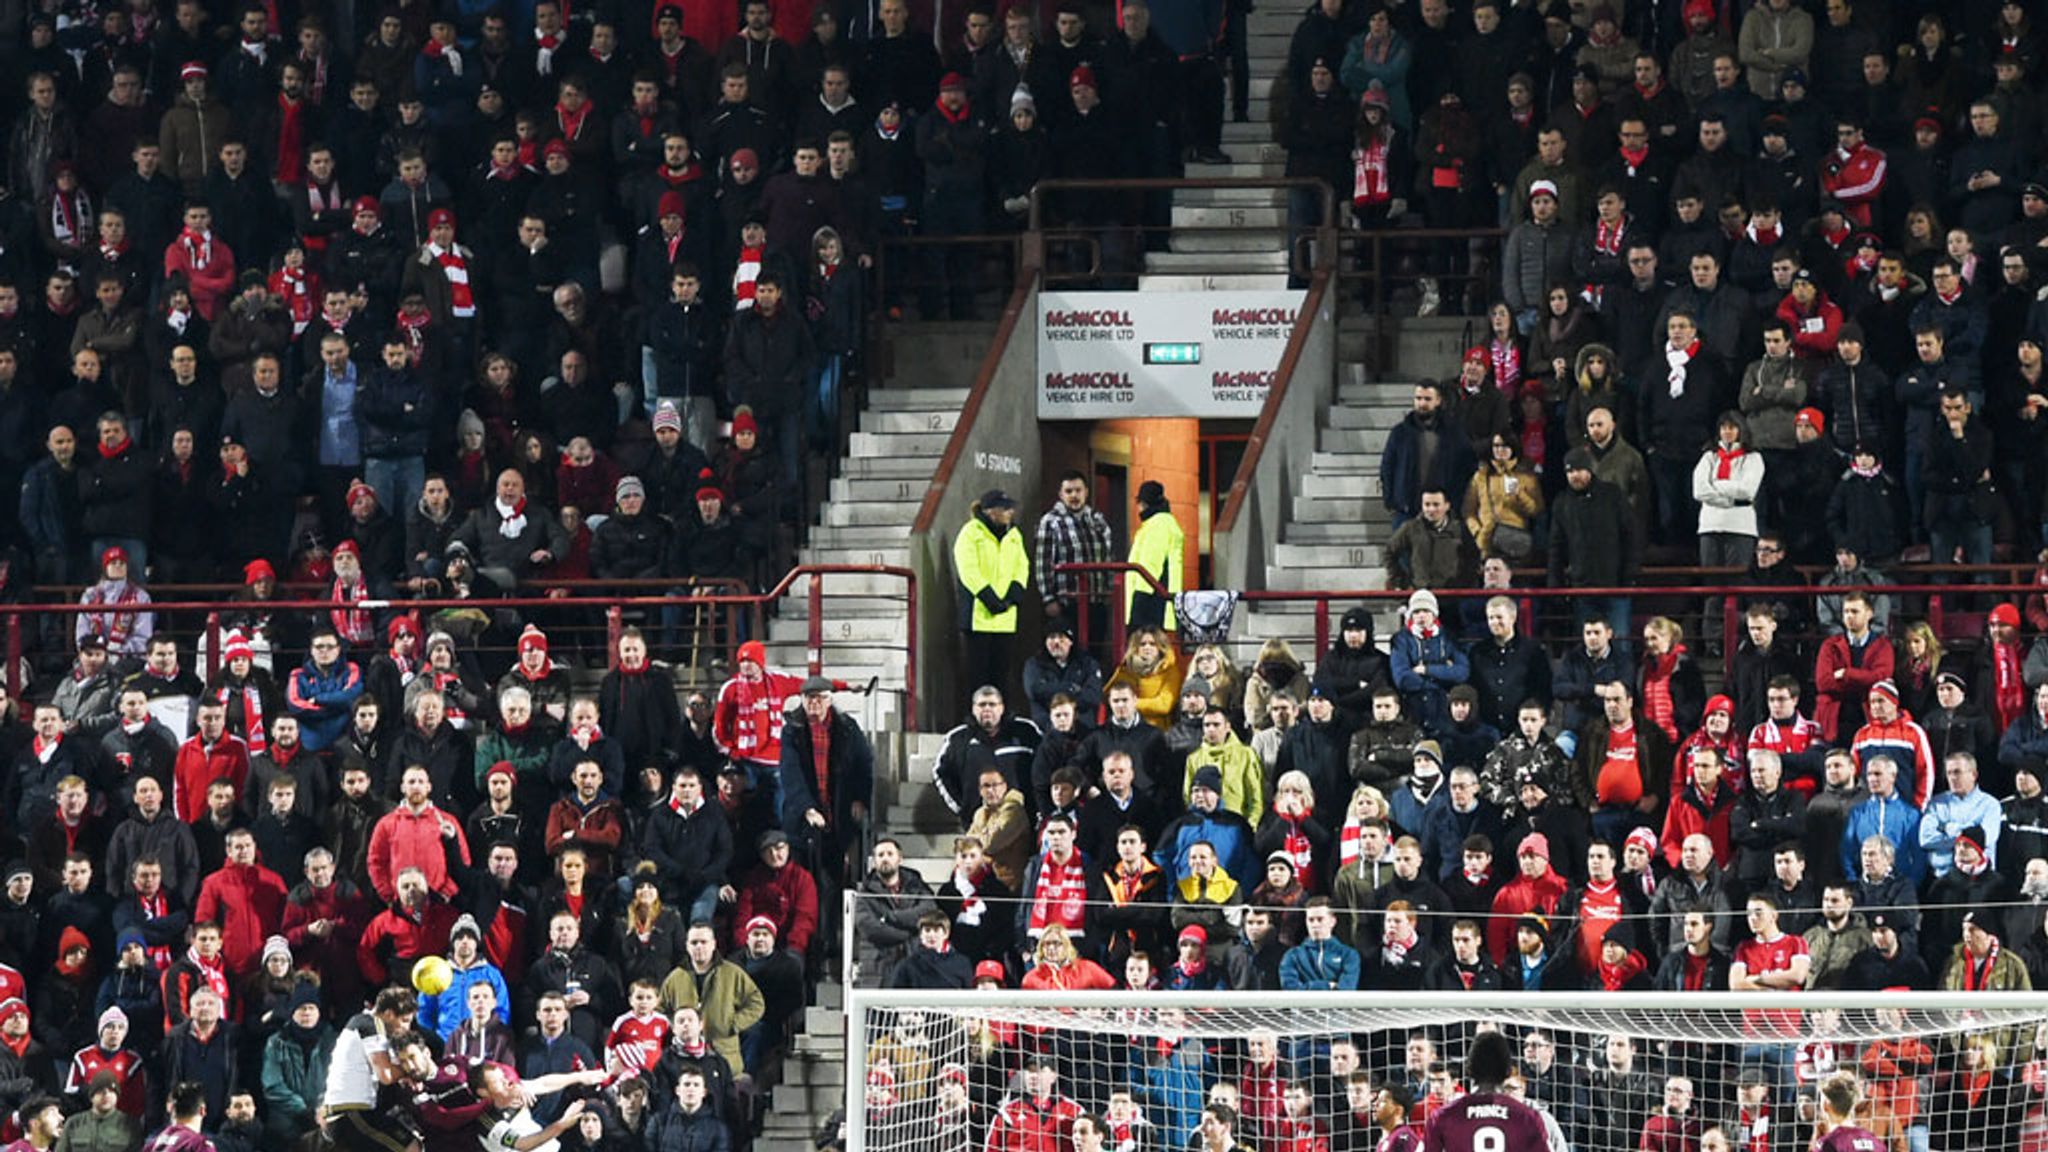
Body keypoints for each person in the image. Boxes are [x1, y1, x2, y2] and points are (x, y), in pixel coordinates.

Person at [953, 489, 1029, 701]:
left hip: (1005, 617)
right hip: (978, 617)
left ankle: (1001, 721)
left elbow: (1022, 565)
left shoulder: (1014, 534)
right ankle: (976, 718)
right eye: (1005, 508)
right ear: (990, 511)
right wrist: (988, 597)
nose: (1009, 512)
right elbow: (968, 570)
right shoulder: (971, 532)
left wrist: (1015, 592)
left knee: (1002, 675)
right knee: (977, 676)